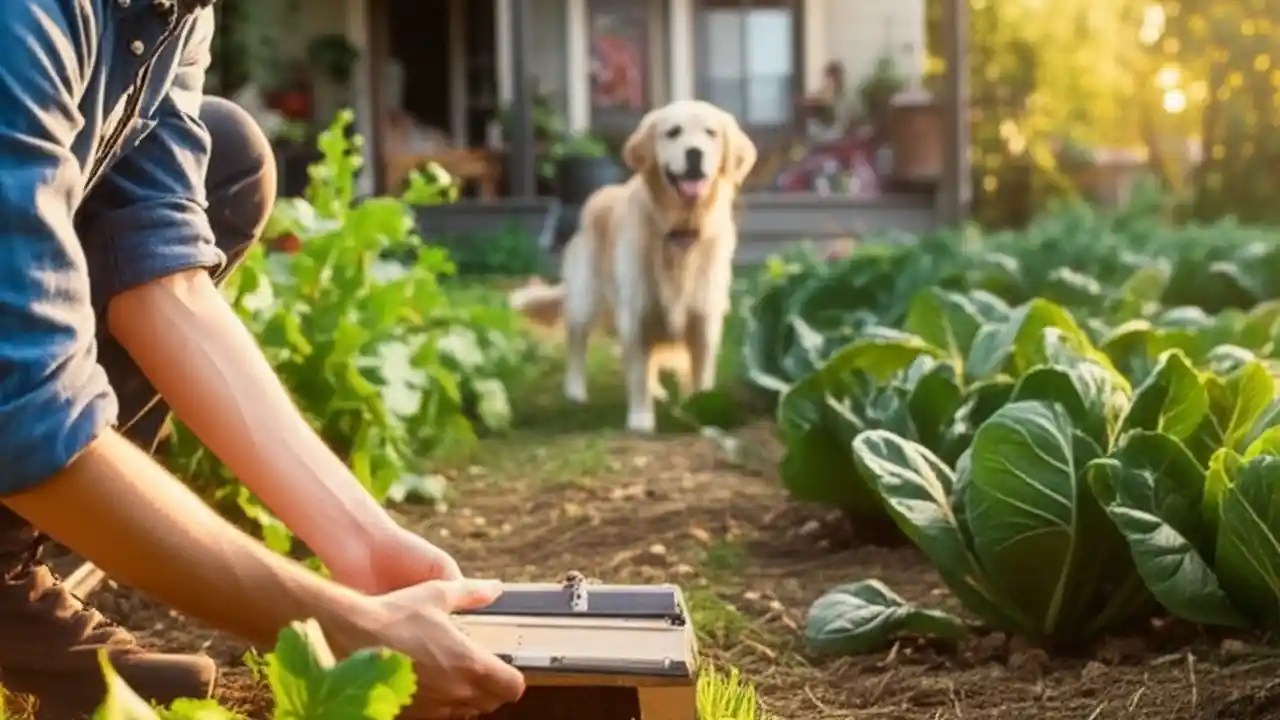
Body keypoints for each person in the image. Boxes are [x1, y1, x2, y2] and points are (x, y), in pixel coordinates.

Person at [0, 1, 524, 718]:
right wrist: (338, 628)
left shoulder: (171, 15)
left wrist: (363, 546)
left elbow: (155, 264)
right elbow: (19, 411)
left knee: (227, 159)